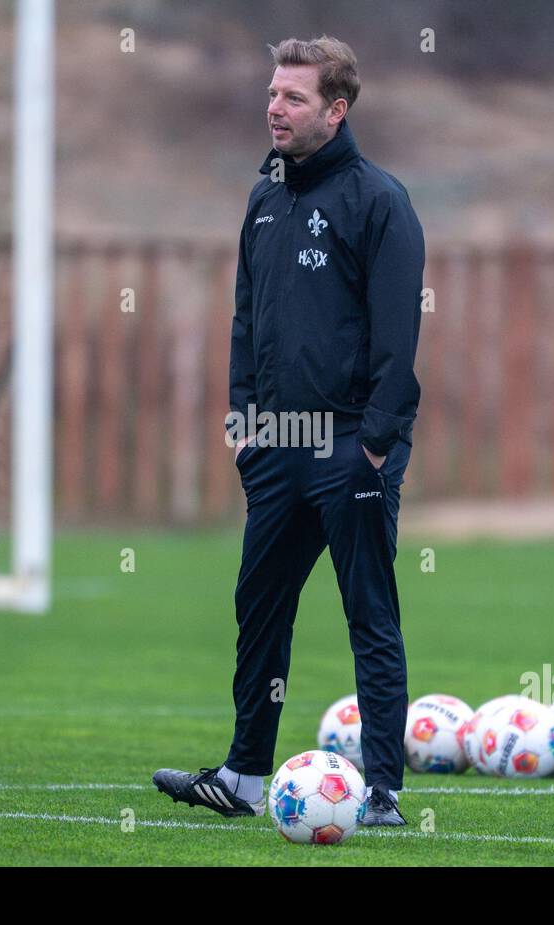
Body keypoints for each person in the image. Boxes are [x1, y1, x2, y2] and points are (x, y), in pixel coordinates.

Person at [153, 35, 425, 826]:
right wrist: (244, 421)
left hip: (350, 447)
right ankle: (242, 776)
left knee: (368, 616)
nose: (274, 107)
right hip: (276, 446)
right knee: (258, 606)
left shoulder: (380, 200)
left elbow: (398, 338)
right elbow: (246, 318)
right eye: (272, 93)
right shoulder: (264, 195)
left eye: (294, 97)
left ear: (336, 111)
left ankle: (382, 790)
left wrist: (374, 444)